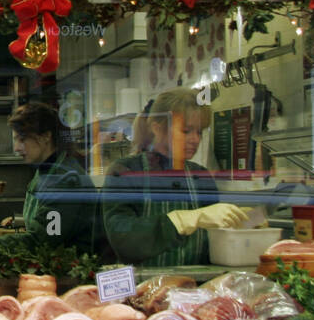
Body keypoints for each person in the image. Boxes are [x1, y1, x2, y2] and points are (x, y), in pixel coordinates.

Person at [100, 87, 247, 266]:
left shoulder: (200, 176)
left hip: (196, 288)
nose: (195, 139)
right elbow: (124, 240)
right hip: (143, 289)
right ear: (157, 128)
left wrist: (241, 225)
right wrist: (182, 220)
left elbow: (215, 242)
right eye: (186, 131)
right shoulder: (126, 171)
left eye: (199, 132)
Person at [0, 102, 95, 254]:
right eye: (15, 140)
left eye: (22, 139)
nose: (17, 148)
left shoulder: (65, 180)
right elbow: (47, 226)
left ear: (46, 136)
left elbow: (41, 241)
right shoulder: (46, 172)